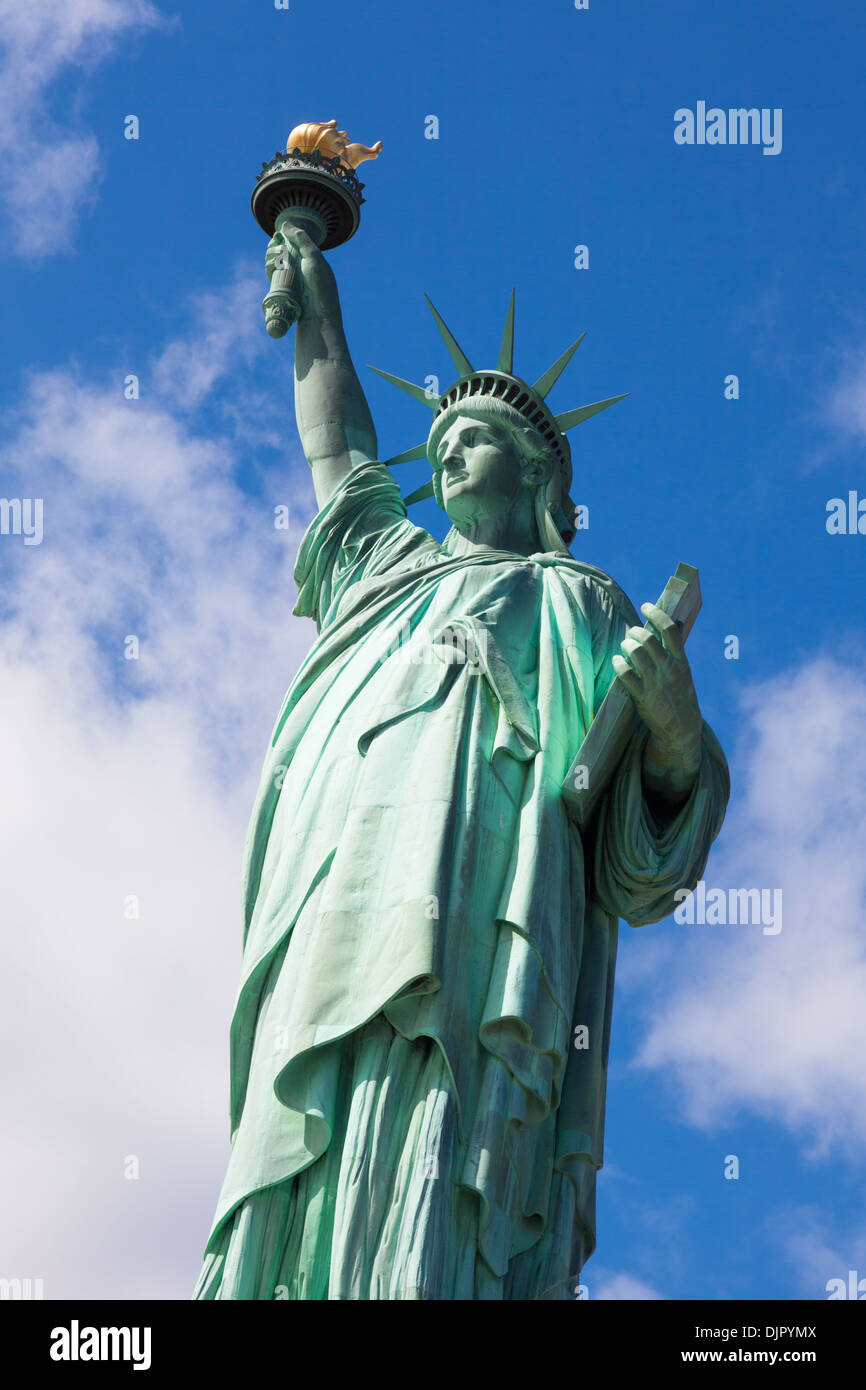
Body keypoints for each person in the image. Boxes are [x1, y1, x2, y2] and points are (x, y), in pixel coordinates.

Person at [193, 225, 729, 1300]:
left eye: (474, 437)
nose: (447, 452)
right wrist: (322, 315)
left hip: (489, 926)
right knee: (319, 1118)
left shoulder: (579, 602)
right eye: (440, 439)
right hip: (341, 893)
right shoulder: (385, 573)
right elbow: (337, 454)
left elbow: (637, 854)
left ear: (534, 470)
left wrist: (671, 729)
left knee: (443, 1131)